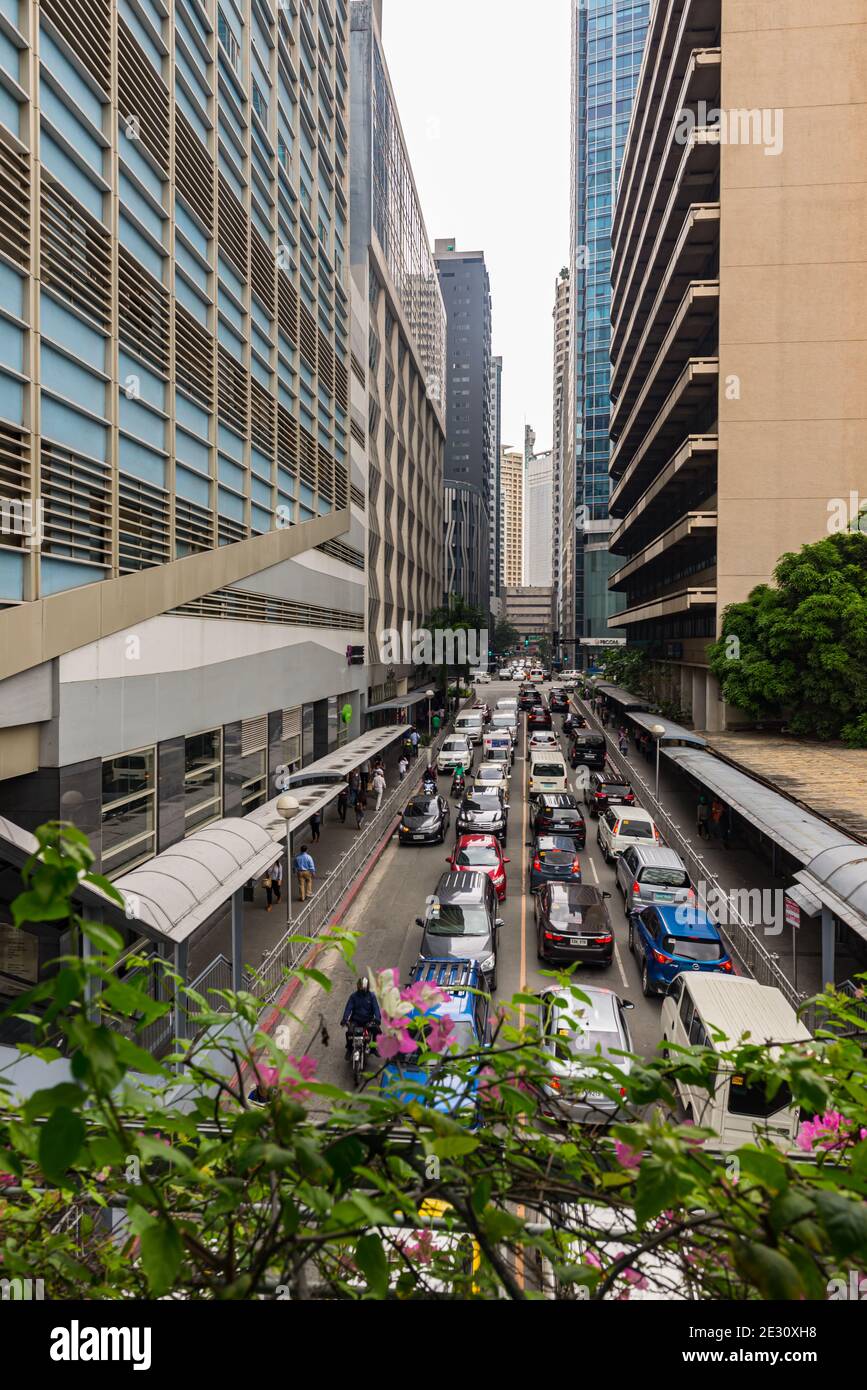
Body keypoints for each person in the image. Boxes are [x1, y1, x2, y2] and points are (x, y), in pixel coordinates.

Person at [341, 976, 382, 1056]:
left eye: (363, 988)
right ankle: (349, 1049)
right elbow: (348, 1008)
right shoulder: (353, 996)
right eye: (360, 987)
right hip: (355, 1021)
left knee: (377, 1031)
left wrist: (377, 1019)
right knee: (349, 1033)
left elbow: (376, 1008)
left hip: (368, 1021)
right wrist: (345, 1019)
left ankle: (373, 1049)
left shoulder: (372, 996)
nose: (362, 989)